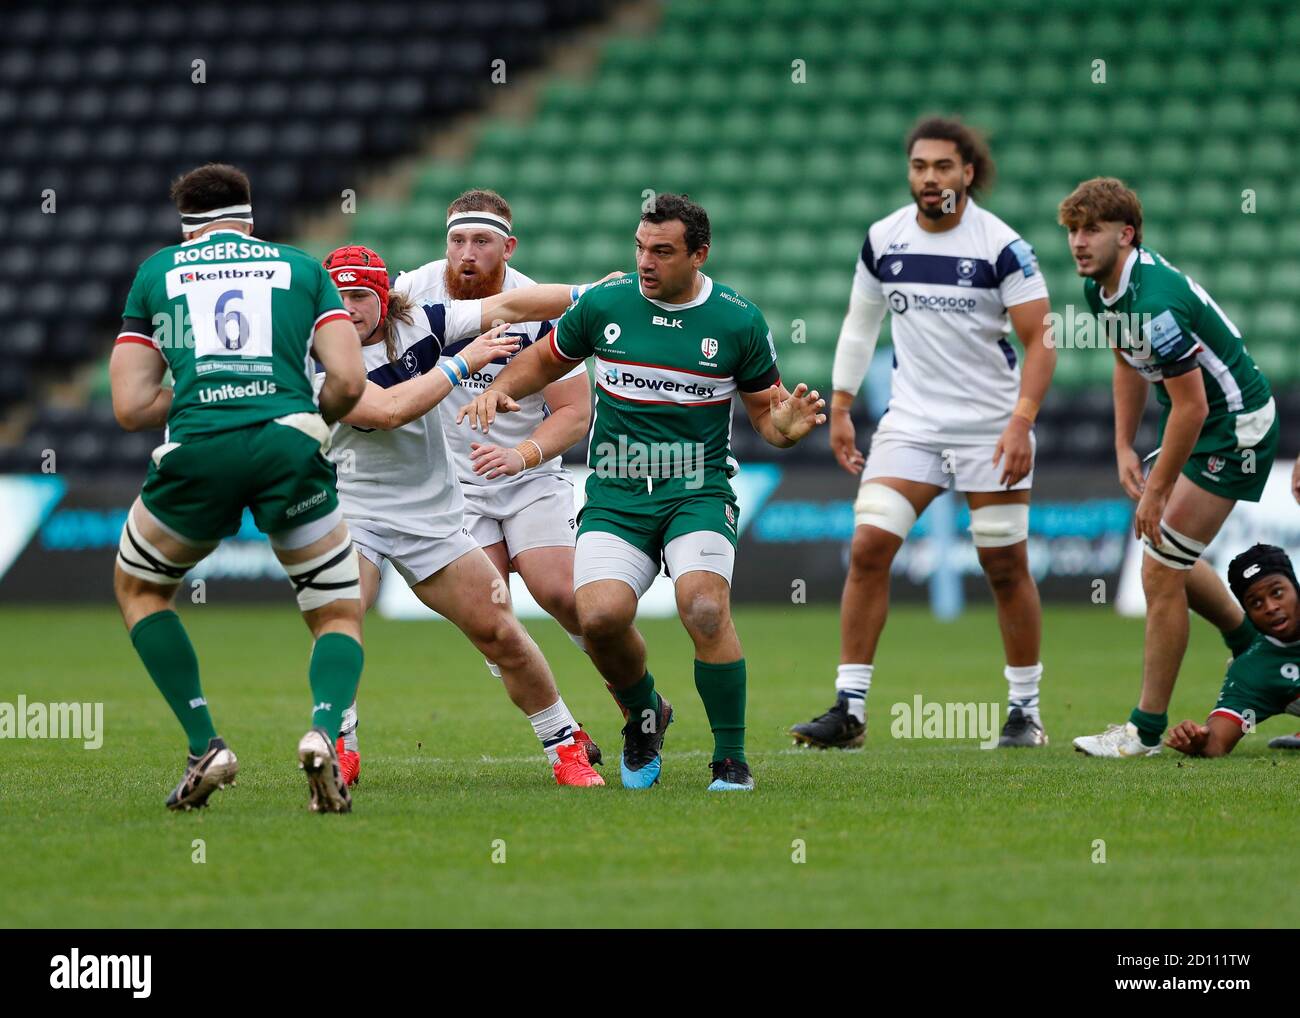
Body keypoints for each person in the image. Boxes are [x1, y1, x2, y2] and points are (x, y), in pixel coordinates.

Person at [460, 193, 825, 791]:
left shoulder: (738, 321)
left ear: (698, 256)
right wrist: (500, 388)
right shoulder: (606, 304)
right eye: (639, 248)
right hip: (617, 492)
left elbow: (769, 415)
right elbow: (544, 361)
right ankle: (646, 714)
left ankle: (729, 758)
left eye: (662, 251)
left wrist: (786, 428)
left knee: (704, 608)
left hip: (697, 489)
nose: (645, 262)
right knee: (599, 617)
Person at [788, 116, 1056, 751]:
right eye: (919, 166)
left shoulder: (1002, 246)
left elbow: (1040, 341)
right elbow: (860, 325)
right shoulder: (884, 238)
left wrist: (1022, 422)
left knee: (1004, 565)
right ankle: (849, 709)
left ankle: (1025, 712)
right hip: (909, 426)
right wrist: (845, 406)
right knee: (868, 549)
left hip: (991, 427)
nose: (930, 177)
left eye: (943, 166)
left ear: (968, 172)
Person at [111, 162, 367, 813]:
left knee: (140, 589)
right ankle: (323, 733)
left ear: (186, 224)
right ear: (250, 221)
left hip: (199, 447)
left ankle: (206, 745)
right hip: (289, 441)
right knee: (336, 611)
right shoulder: (302, 268)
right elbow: (348, 381)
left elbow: (131, 405)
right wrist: (311, 422)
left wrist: (203, 397)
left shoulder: (159, 272)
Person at [320, 244, 605, 787]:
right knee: (341, 616)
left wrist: (587, 294)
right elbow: (388, 412)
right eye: (337, 298)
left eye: (359, 296)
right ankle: (342, 744)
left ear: (384, 298)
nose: (348, 309)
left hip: (433, 517)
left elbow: (512, 307)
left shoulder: (423, 322)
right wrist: (461, 364)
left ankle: (565, 744)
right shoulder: (314, 354)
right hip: (355, 509)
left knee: (499, 631)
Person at [1059, 178, 1279, 758]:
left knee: (1159, 569)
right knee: (1173, 558)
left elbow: (1192, 405)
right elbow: (1127, 366)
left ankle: (1143, 731)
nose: (1079, 243)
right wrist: (1123, 446)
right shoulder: (1101, 290)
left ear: (1126, 235)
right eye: (1073, 231)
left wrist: (1155, 492)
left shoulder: (1153, 302)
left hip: (1235, 426)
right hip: (1206, 421)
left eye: (1092, 230)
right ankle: (1253, 645)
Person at [392, 190, 596, 686]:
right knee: (491, 616)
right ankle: (565, 733)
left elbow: (574, 413)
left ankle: (635, 704)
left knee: (563, 595)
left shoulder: (540, 308)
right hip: (453, 485)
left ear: (509, 248)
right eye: (457, 240)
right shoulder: (411, 294)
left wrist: (520, 455)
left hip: (528, 475)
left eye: (482, 240)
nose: (466, 252)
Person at [1165, 545, 1300, 757]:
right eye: (1256, 603)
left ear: (1295, 586)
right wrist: (1198, 741)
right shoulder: (1255, 670)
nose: (1271, 607)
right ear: (1247, 613)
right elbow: (1217, 742)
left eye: (1277, 593)